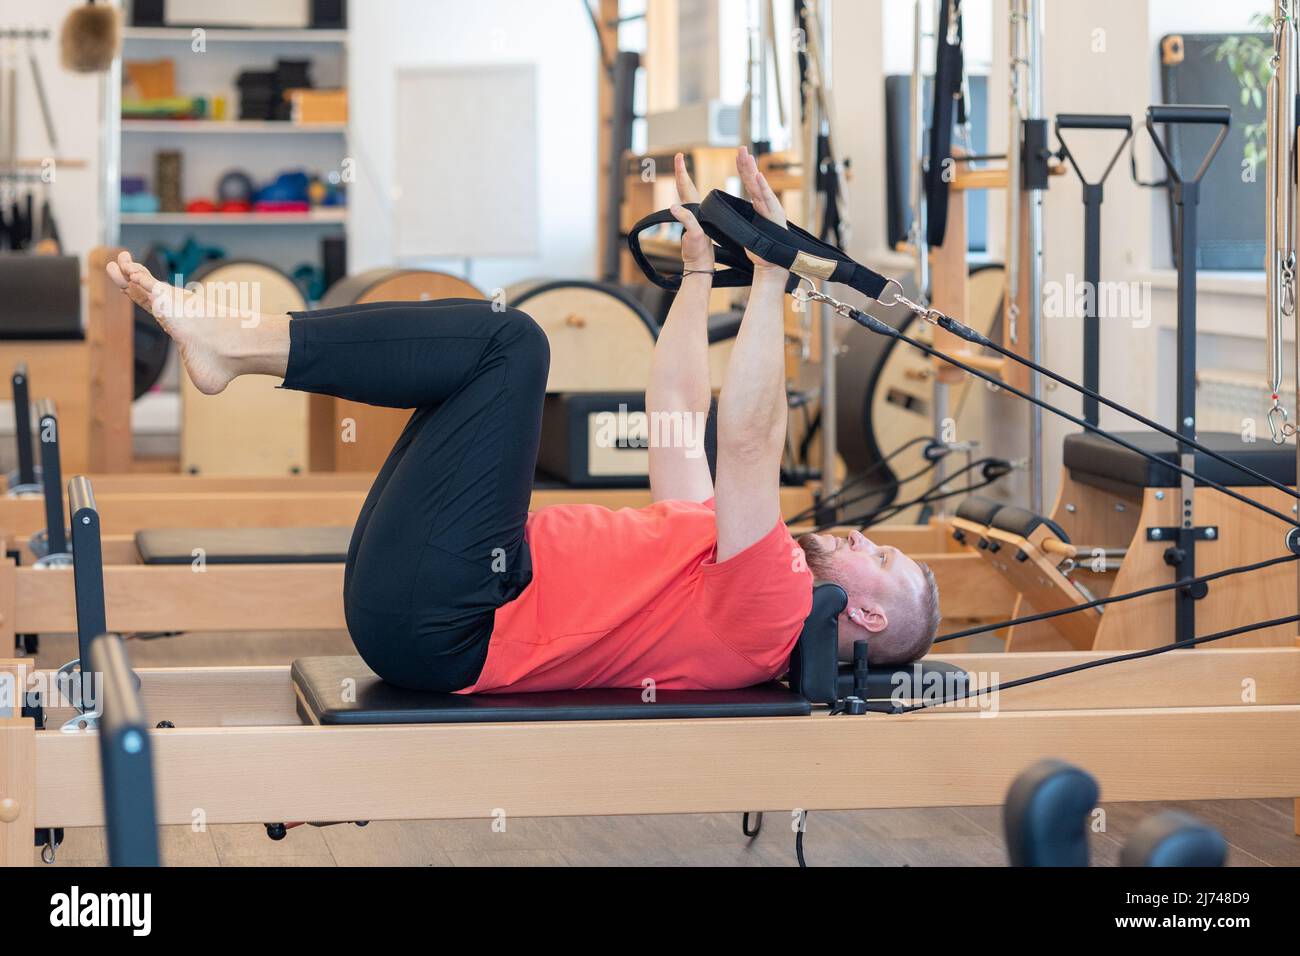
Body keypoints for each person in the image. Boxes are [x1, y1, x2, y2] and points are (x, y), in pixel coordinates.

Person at [106, 147, 940, 695]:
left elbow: (750, 439)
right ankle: (236, 350)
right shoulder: (723, 562)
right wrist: (695, 275)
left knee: (510, 345)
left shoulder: (777, 607)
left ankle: (238, 346)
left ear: (863, 616)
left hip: (452, 617)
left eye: (883, 559)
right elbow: (679, 412)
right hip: (426, 603)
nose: (867, 539)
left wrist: (770, 279)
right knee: (474, 366)